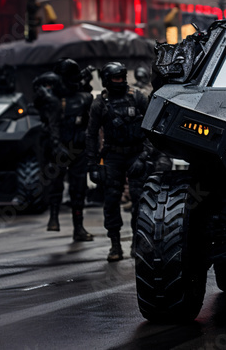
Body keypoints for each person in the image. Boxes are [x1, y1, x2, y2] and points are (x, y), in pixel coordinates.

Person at [87, 62, 149, 262]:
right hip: (113, 155)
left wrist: (144, 156)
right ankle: (115, 245)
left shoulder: (137, 97)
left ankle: (136, 243)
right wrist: (92, 164)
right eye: (115, 78)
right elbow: (91, 134)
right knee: (111, 200)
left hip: (135, 154)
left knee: (140, 200)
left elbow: (152, 127)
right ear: (107, 80)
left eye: (121, 77)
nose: (119, 81)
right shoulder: (100, 103)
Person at [32, 60, 95, 242]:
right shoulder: (51, 97)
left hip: (77, 145)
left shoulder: (82, 96)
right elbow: (44, 113)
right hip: (58, 146)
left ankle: (78, 227)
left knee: (78, 188)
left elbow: (89, 121)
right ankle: (54, 217)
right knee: (56, 184)